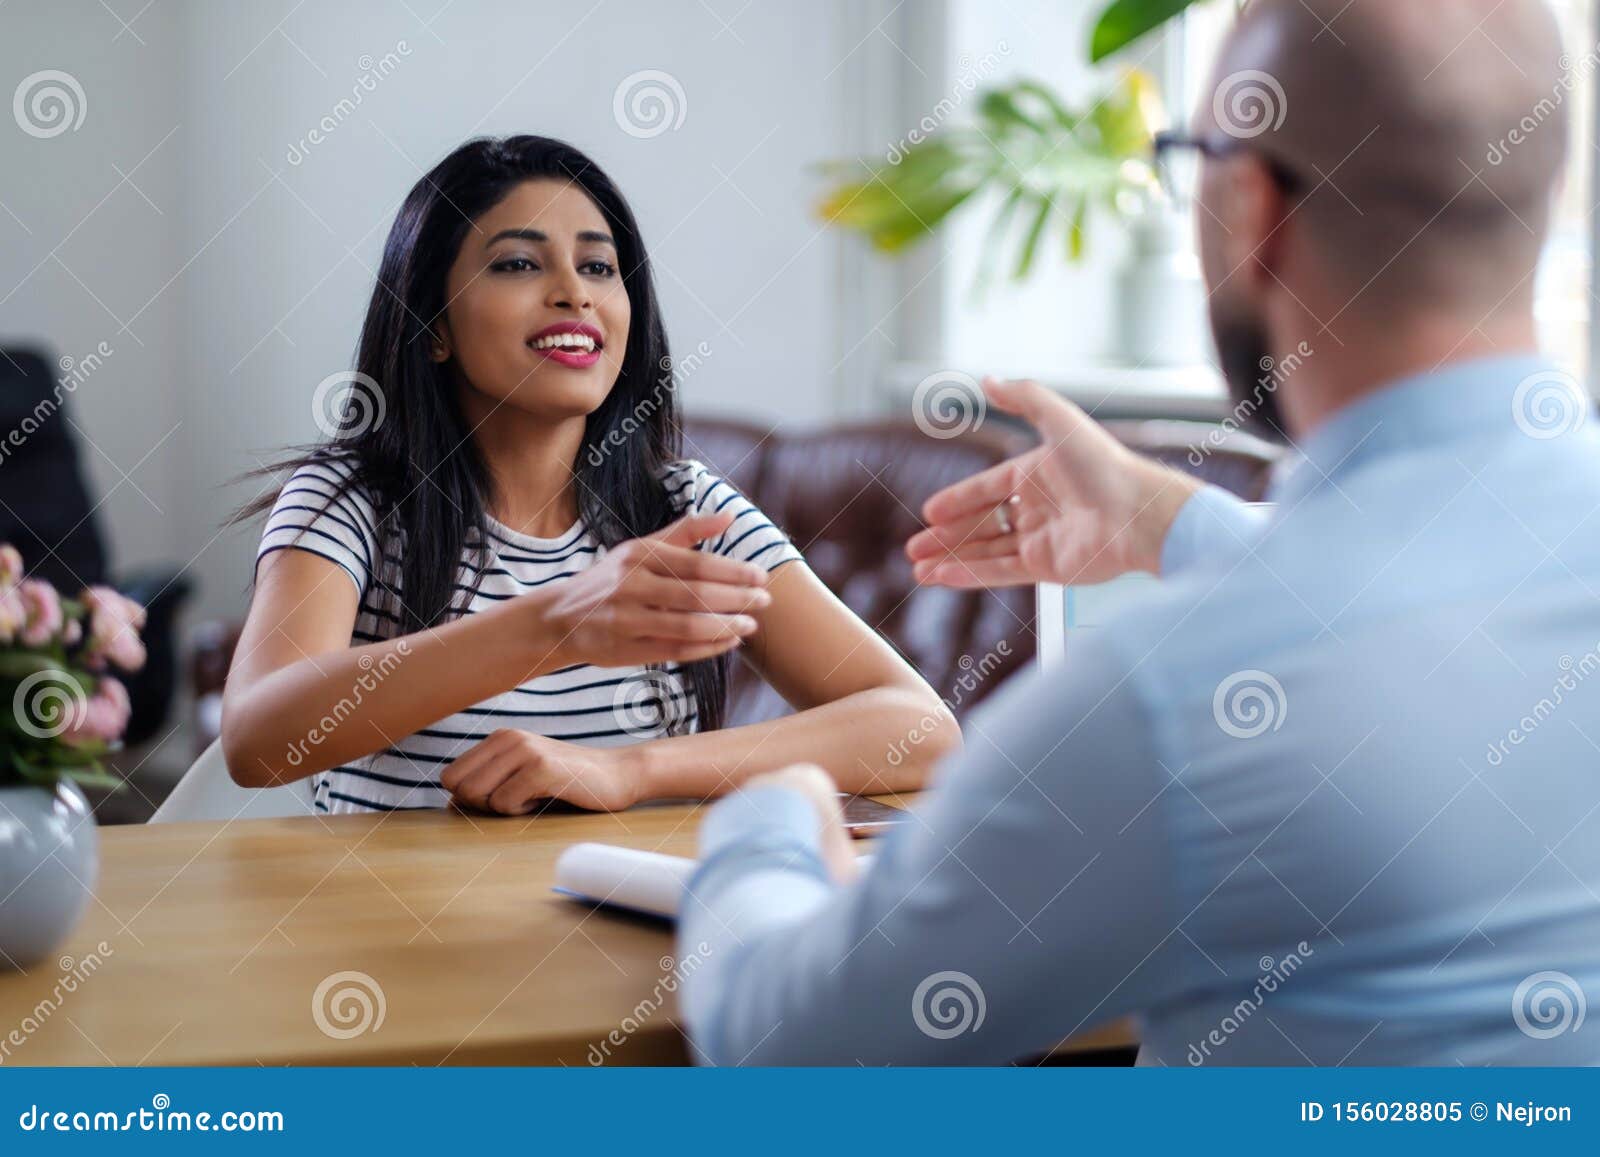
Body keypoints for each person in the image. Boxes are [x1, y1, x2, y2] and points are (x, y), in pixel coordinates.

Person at [678, 0, 1600, 1065]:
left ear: (1254, 210)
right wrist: (1170, 522)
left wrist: (768, 819)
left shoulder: (1171, 700)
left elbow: (782, 1045)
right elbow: (1425, 628)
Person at [221, 136, 956, 815]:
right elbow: (256, 738)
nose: (574, 292)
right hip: (392, 914)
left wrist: (635, 770)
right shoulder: (349, 499)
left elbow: (921, 729)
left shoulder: (683, 506)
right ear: (434, 325)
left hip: (619, 907)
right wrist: (555, 625)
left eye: (599, 267)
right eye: (518, 263)